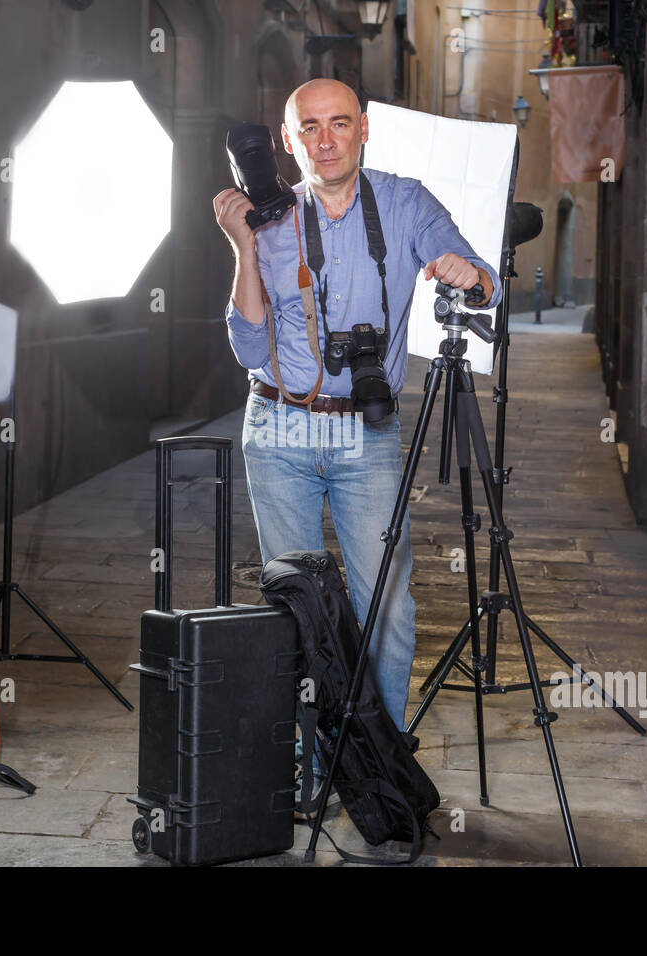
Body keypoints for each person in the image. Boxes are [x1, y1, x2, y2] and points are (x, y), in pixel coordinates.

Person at [212, 78, 502, 740]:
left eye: (339, 123)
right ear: (288, 141)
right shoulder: (269, 217)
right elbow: (249, 345)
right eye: (309, 127)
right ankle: (316, 770)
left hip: (366, 434)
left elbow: (485, 281)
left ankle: (381, 768)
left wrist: (469, 275)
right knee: (296, 612)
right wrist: (243, 248)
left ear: (363, 128)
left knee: (388, 613)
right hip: (278, 427)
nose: (326, 139)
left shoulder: (405, 204)